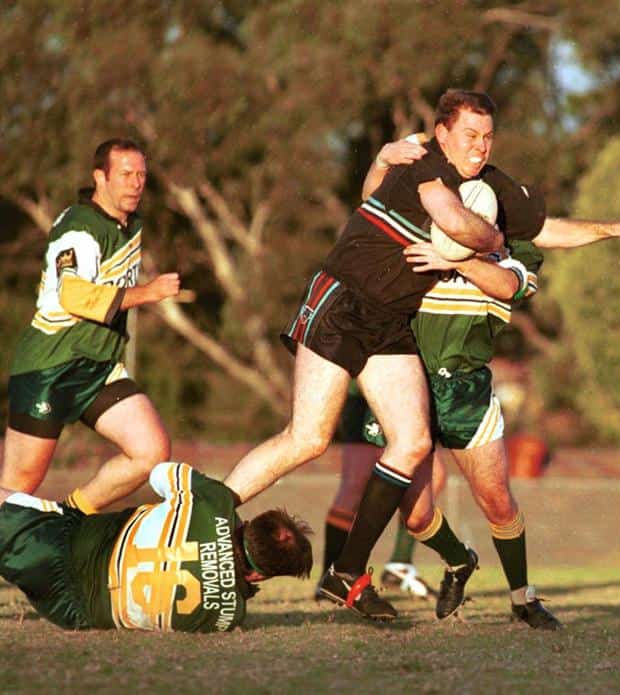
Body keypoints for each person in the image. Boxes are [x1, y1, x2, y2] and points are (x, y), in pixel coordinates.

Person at [317, 134, 620, 629]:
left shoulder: (511, 248)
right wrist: (382, 160)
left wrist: (458, 260)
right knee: (413, 516)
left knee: (497, 500)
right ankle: (459, 561)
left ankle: (522, 598)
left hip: (467, 387)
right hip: (405, 371)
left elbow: (510, 286)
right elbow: (368, 210)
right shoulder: (417, 225)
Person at [223, 90, 520, 622]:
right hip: (342, 301)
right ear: (442, 134)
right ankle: (209, 515)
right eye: (470, 135)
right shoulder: (429, 167)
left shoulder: (443, 174)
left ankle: (345, 574)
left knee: (412, 442)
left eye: (488, 136)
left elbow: (372, 197)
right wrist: (494, 237)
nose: (480, 147)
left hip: (389, 319)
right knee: (308, 438)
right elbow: (453, 222)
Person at [3, 138, 182, 513]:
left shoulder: (131, 225)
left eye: (142, 176)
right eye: (126, 174)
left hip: (98, 368)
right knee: (16, 491)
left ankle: (69, 517)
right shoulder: (79, 229)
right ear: (99, 178)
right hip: (50, 366)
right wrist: (147, 292)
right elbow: (74, 297)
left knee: (150, 452)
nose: (135, 183)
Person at [0, 461, 312, 632]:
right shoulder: (229, 618)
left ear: (249, 523)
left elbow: (158, 473)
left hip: (63, 546)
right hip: (74, 614)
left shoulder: (215, 503)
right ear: (260, 577)